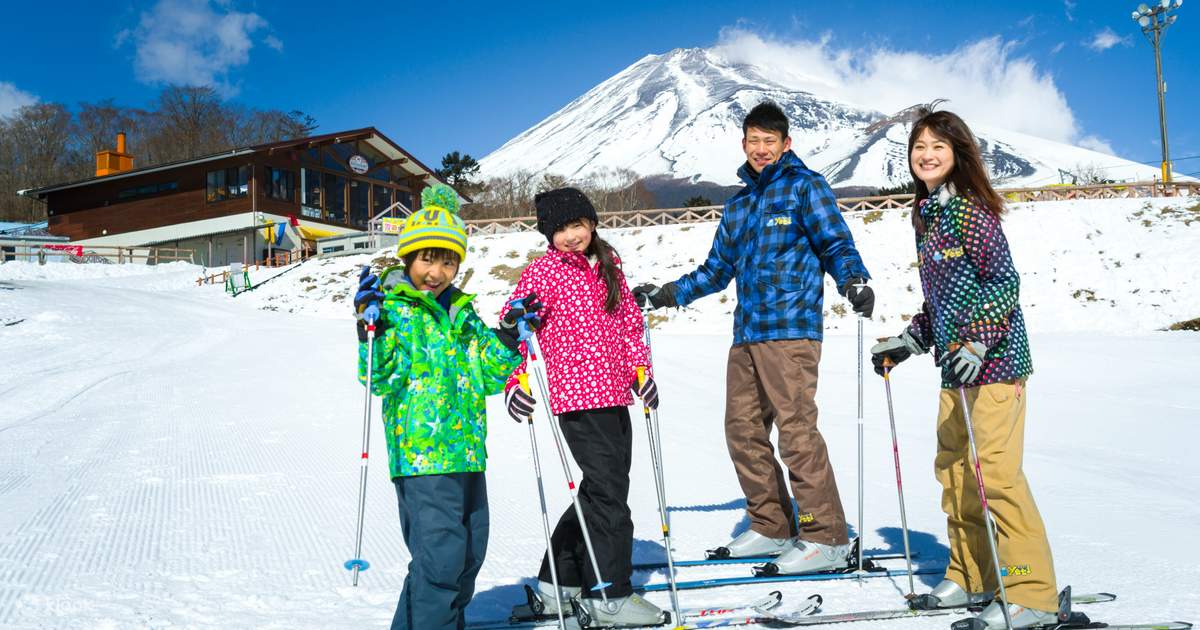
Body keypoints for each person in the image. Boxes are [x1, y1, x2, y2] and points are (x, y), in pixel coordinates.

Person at [634, 101, 874, 575]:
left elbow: (835, 243)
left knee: (797, 433)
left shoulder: (806, 187)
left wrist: (853, 280)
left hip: (790, 331)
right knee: (742, 430)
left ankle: (825, 535)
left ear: (786, 144)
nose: (761, 149)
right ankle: (771, 525)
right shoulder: (740, 204)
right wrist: (667, 294)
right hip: (746, 333)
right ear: (743, 144)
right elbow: (717, 270)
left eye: (770, 140)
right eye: (753, 140)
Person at [869, 109, 1059, 629]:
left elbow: (1003, 283)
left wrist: (976, 341)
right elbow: (941, 301)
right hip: (955, 369)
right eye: (918, 147)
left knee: (995, 475)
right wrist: (907, 342)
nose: (926, 155)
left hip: (995, 364)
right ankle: (972, 574)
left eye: (937, 146)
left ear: (957, 154)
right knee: (954, 472)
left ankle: (1031, 593)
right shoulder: (927, 217)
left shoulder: (973, 211)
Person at [353, 184, 526, 630]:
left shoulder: (461, 314)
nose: (437, 271)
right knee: (441, 560)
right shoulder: (392, 309)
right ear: (408, 258)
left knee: (469, 554)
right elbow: (379, 376)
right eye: (428, 258)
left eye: (448, 260)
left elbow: (489, 375)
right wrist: (367, 325)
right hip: (422, 455)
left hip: (467, 452)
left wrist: (508, 335)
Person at [501, 187, 664, 627]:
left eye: (577, 225)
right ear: (548, 236)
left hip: (615, 392)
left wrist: (641, 371)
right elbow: (515, 330)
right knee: (609, 495)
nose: (570, 236)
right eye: (559, 230)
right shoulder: (543, 273)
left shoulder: (610, 267)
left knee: (599, 490)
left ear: (591, 223)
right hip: (576, 397)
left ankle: (559, 582)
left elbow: (629, 324)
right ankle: (608, 593)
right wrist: (513, 378)